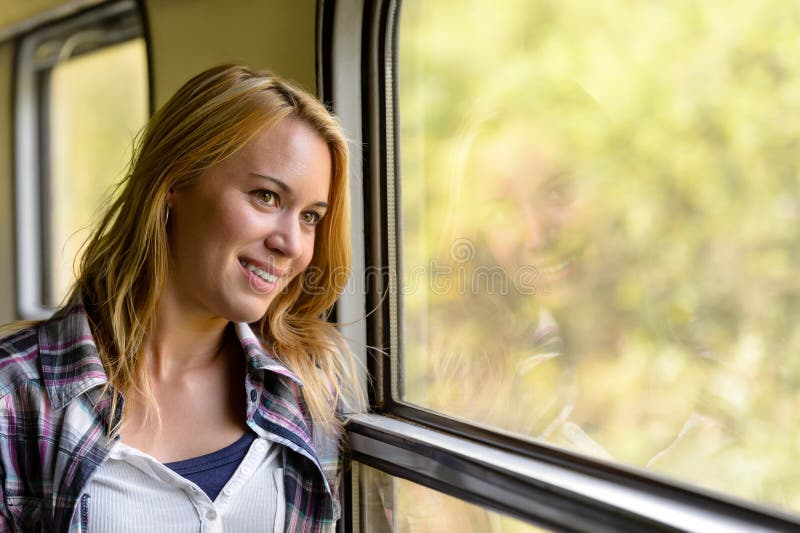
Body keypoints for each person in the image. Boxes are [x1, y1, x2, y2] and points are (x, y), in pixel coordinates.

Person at [0, 64, 363, 532]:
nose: (292, 244)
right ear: (175, 180)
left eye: (310, 217)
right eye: (266, 197)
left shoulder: (307, 386)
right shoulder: (15, 398)